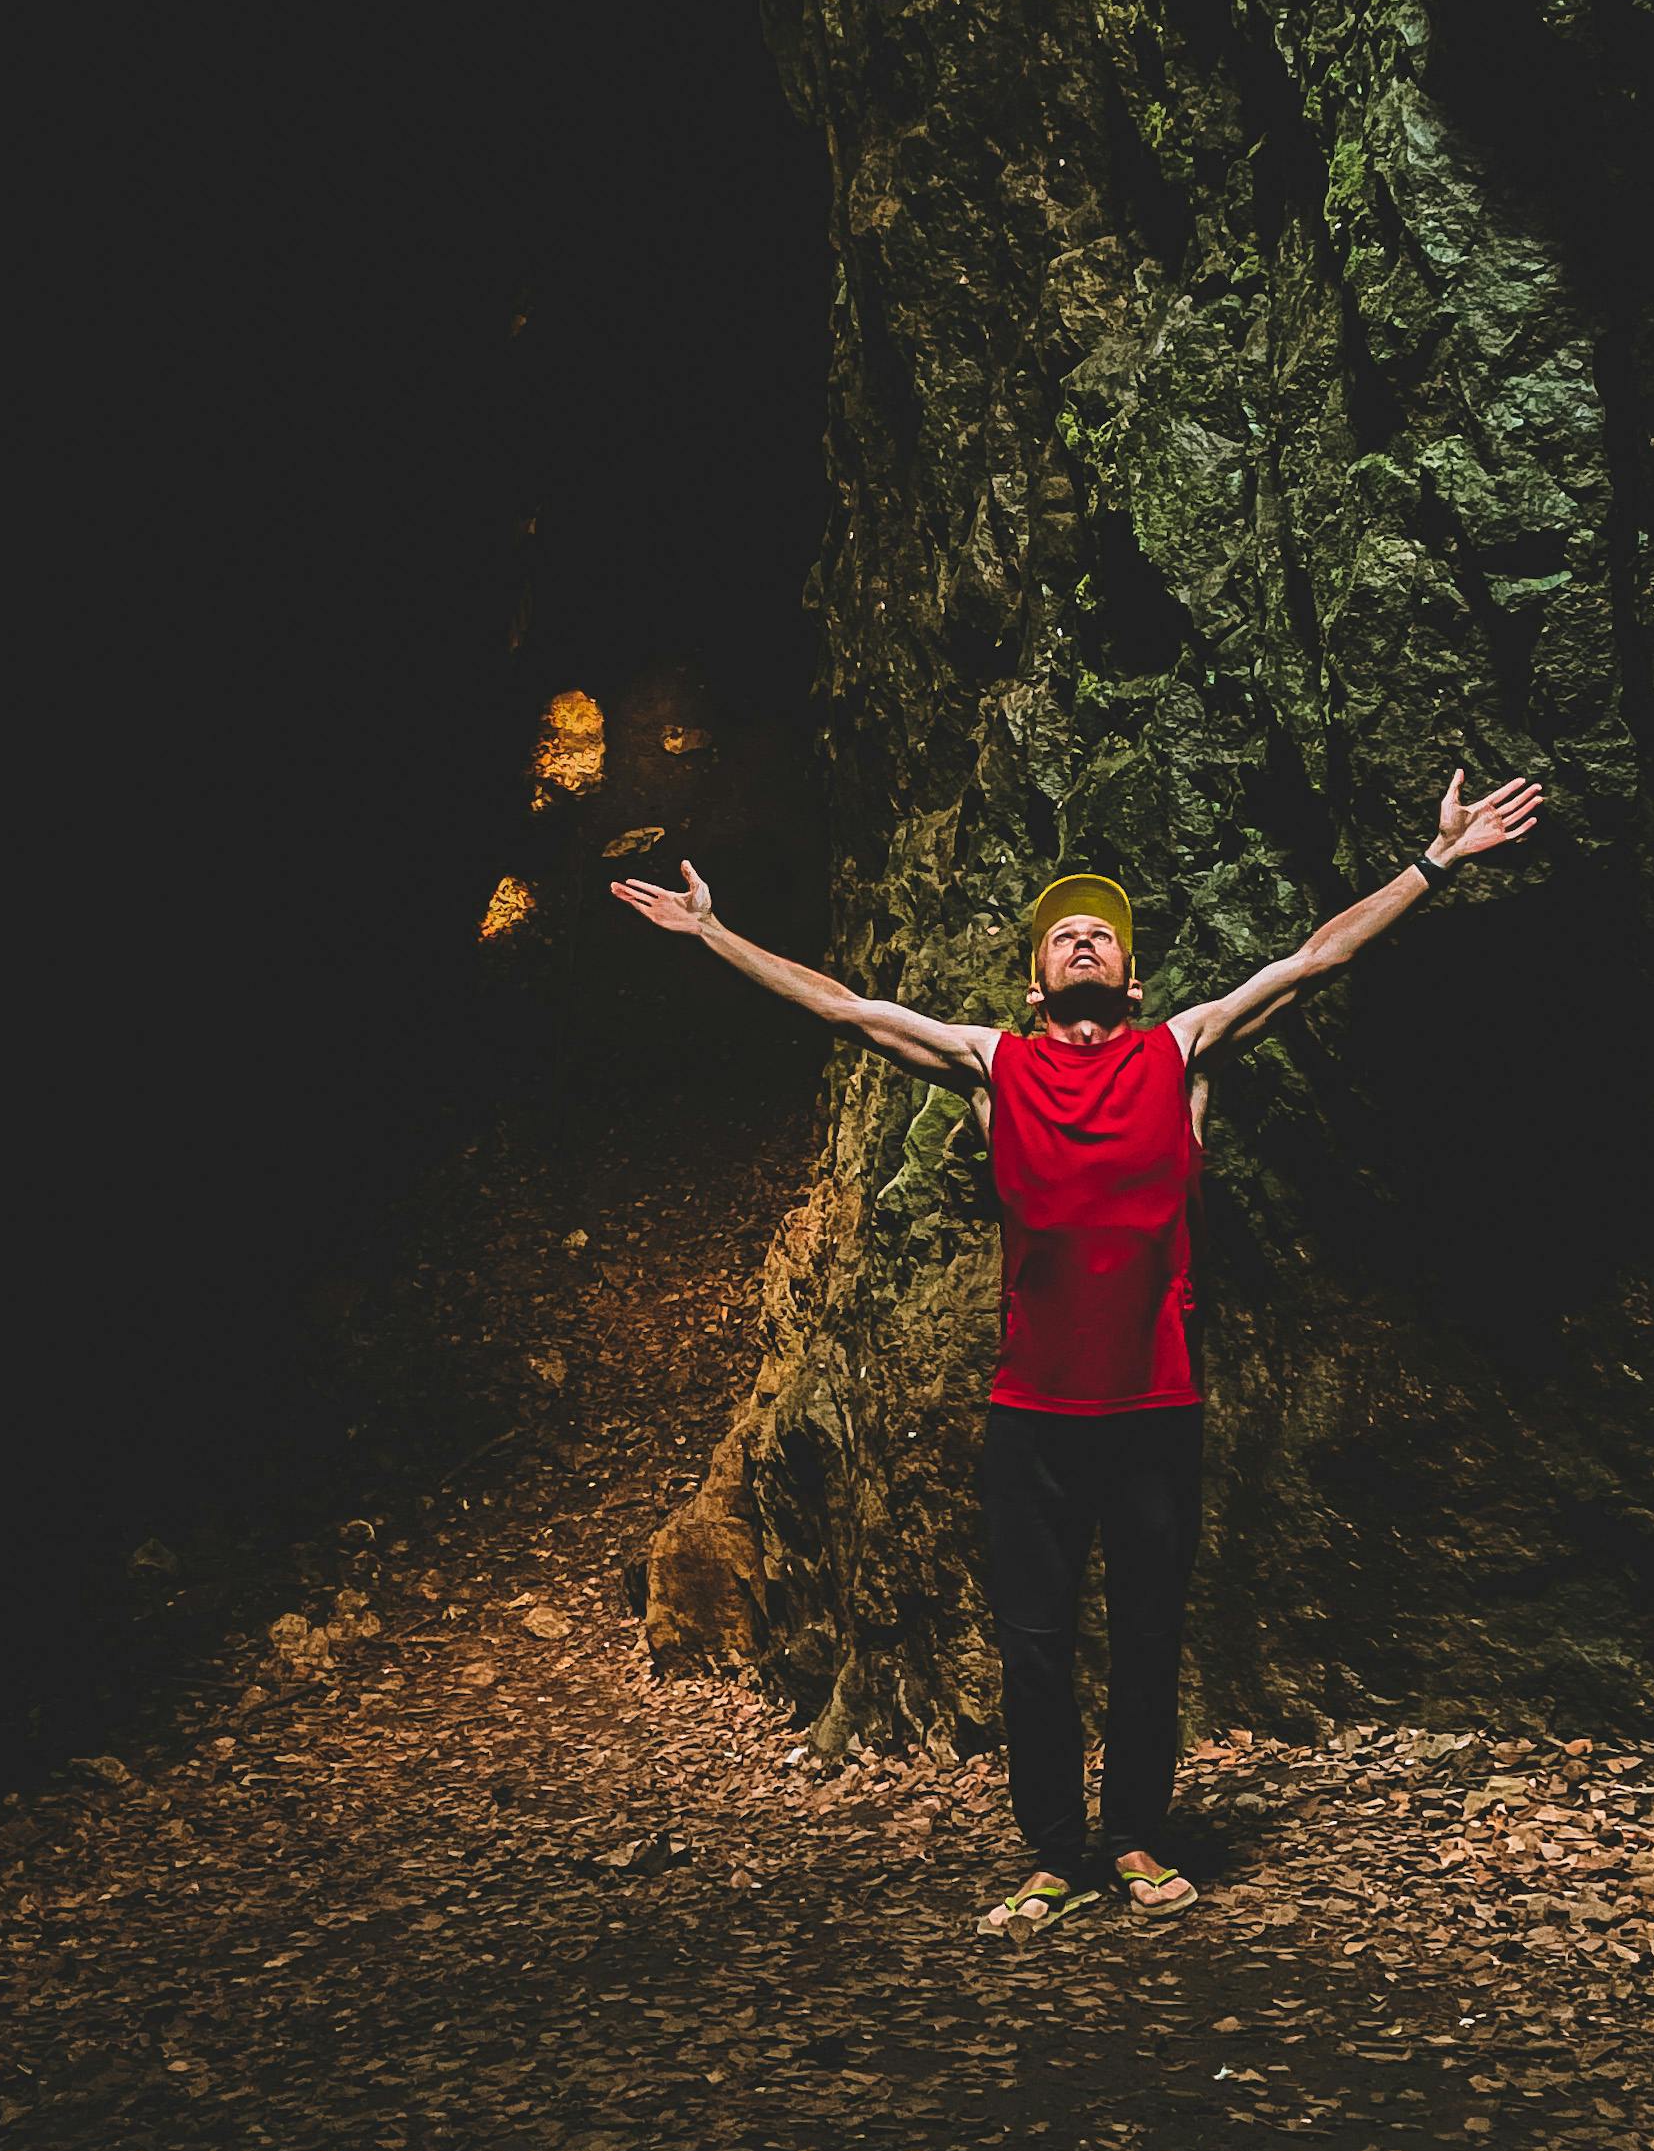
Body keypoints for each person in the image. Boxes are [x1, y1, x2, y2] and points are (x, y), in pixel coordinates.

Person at [612, 766, 1542, 1947]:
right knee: (1035, 1647)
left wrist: (1436, 861)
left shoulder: (1182, 1049)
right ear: (1037, 976)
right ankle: (1055, 1855)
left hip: (1155, 1404)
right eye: (1064, 936)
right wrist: (712, 933)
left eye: (1101, 931)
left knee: (1150, 1634)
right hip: (1032, 1415)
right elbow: (844, 1008)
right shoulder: (993, 1063)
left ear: (1131, 973)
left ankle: (1136, 1837)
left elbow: (1317, 958)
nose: (1085, 939)